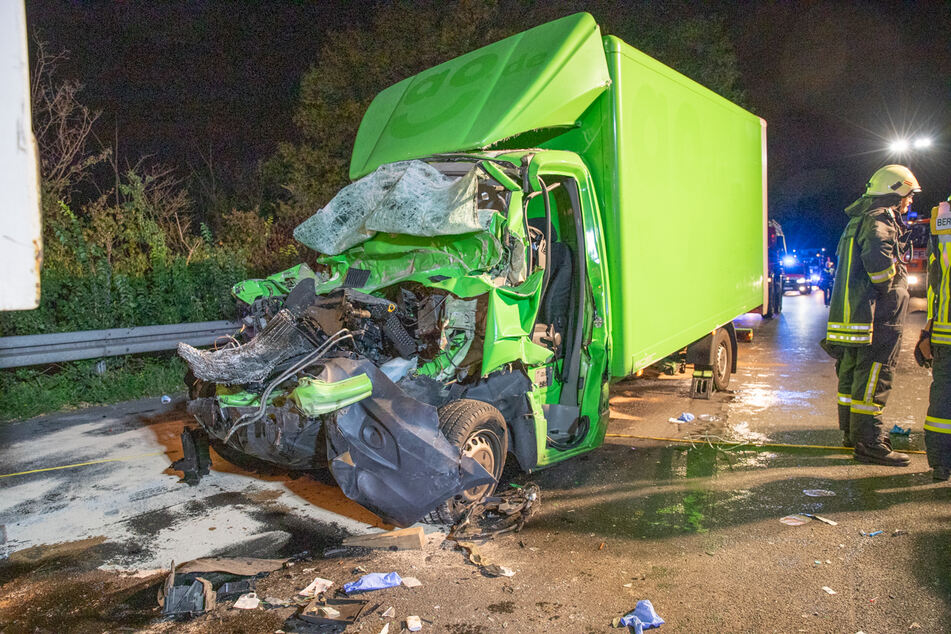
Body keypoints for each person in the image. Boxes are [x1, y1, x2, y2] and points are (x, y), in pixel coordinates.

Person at [822, 164, 919, 465]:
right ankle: (869, 443)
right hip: (877, 317)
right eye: (908, 195)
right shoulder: (880, 219)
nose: (910, 201)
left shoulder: (859, 219)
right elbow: (879, 267)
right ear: (895, 193)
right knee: (875, 376)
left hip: (857, 317)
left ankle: (854, 434)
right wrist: (892, 279)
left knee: (853, 375)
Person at [914, 196, 951, 480]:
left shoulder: (943, 215)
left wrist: (930, 326)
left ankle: (941, 463)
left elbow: (935, 280)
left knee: (943, 399)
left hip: (945, 330)